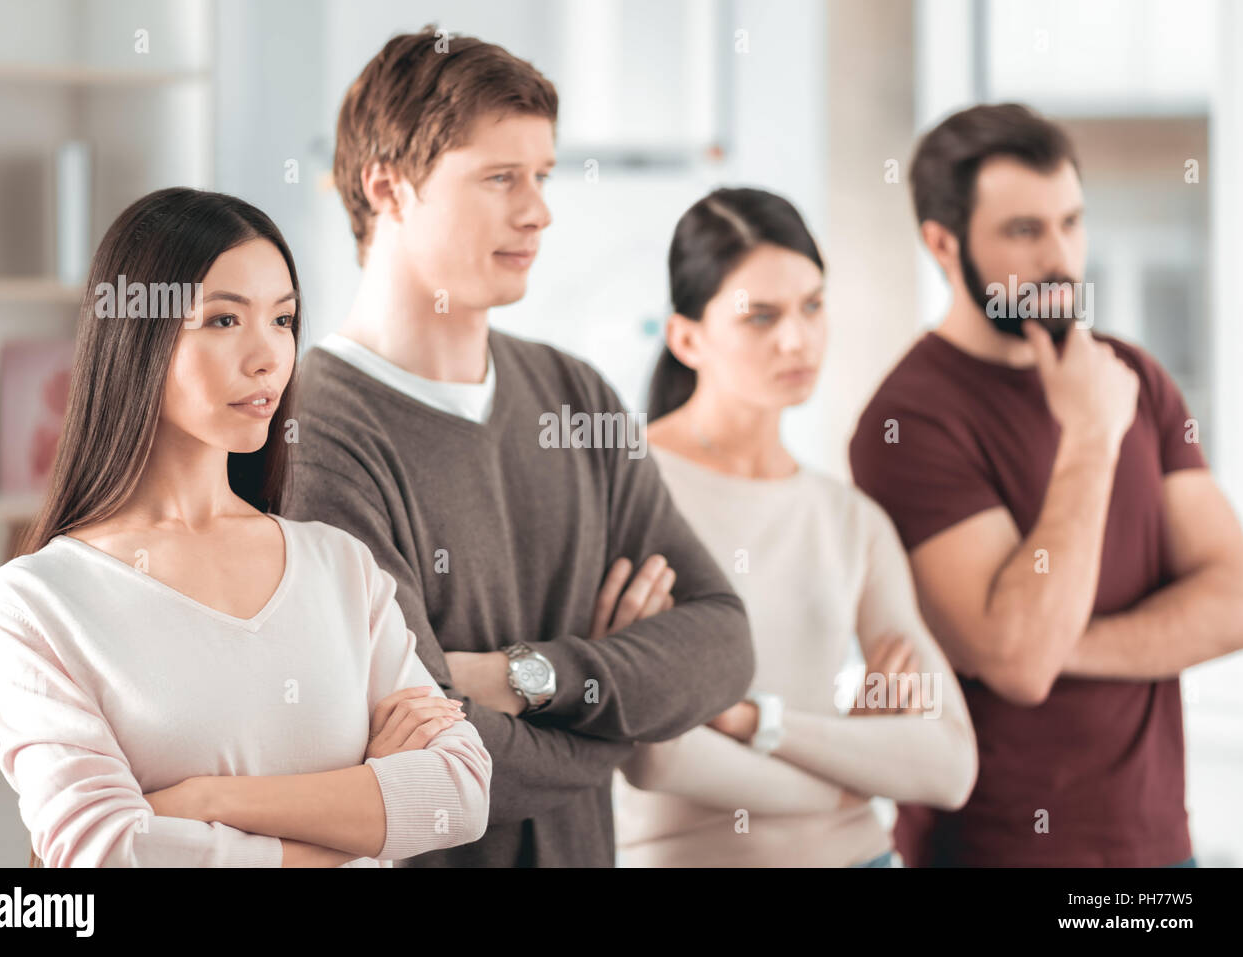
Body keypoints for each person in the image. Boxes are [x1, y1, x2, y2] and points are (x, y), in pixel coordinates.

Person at [281, 25, 755, 867]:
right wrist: (621, 715)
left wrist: (526, 676)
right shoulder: (313, 431)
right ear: (387, 188)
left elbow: (721, 642)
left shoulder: (576, 395)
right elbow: (425, 758)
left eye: (541, 175)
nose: (538, 210)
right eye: (499, 177)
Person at [0, 187, 491, 867]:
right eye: (224, 321)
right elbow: (103, 850)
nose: (268, 357)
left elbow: (457, 794)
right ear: (137, 335)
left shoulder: (339, 565)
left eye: (283, 320)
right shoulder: (38, 600)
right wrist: (360, 808)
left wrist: (205, 801)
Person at [849, 103, 1243, 867]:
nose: (1061, 256)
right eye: (1024, 231)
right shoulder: (907, 420)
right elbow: (1022, 662)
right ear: (941, 242)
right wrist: (1092, 436)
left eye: (1071, 221)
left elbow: (1234, 601)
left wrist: (1066, 642)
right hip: (992, 853)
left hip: (1159, 853)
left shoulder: (1134, 377)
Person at [610, 187, 977, 867]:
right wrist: (851, 768)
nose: (796, 338)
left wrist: (756, 721)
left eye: (812, 305)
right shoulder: (626, 490)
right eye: (761, 316)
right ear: (688, 337)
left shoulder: (850, 519)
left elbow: (950, 764)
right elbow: (658, 755)